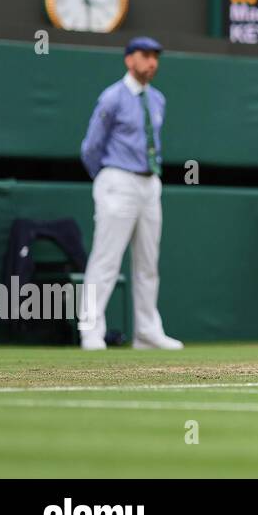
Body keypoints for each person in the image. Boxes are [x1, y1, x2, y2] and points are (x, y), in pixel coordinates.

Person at [77, 37, 182, 351]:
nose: (152, 62)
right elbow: (90, 147)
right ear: (129, 60)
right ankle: (91, 331)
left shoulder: (158, 100)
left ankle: (147, 332)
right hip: (117, 180)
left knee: (148, 262)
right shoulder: (111, 98)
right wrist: (108, 177)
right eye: (146, 56)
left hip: (150, 183)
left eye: (156, 57)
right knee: (106, 259)